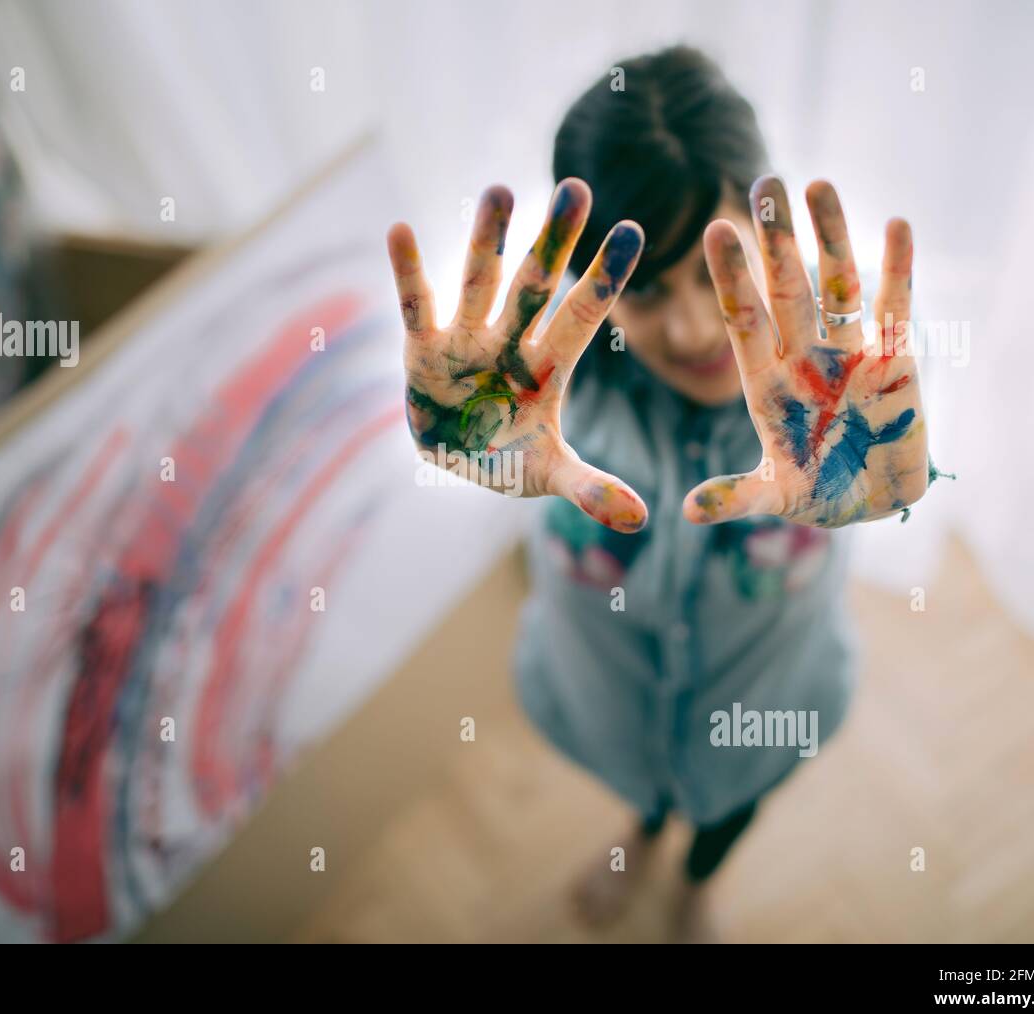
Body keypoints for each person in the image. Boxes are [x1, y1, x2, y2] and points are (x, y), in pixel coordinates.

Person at [386, 45, 932, 931]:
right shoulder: (550, 399)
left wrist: (895, 475)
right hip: (608, 698)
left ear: (773, 234)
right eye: (644, 293)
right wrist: (468, 443)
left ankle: (698, 876)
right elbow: (496, 438)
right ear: (590, 291)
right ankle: (640, 836)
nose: (687, 327)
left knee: (728, 809)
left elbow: (886, 452)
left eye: (715, 276)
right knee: (644, 796)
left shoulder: (842, 382)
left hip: (769, 700)